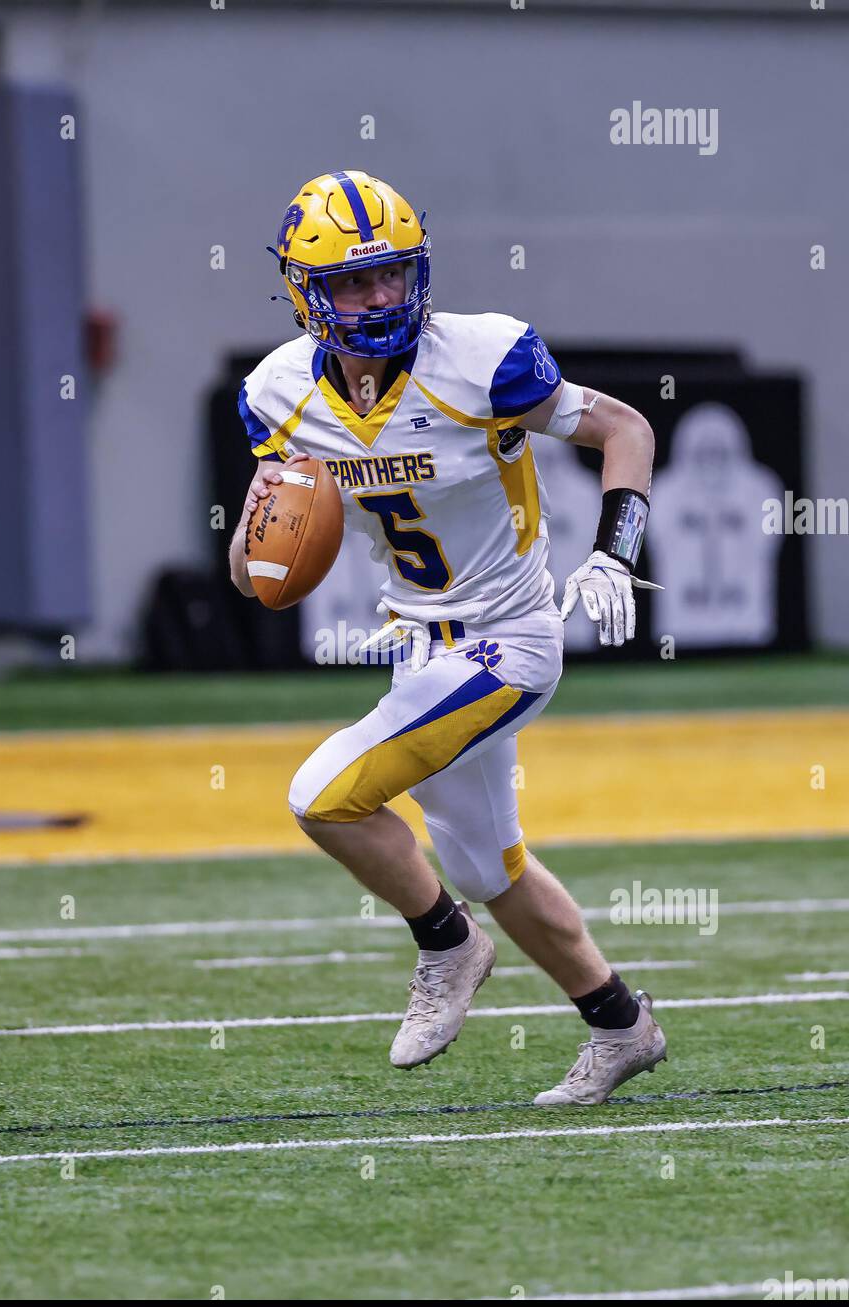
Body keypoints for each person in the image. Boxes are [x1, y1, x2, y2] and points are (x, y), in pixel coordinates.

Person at [230, 170, 665, 1104]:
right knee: (485, 867)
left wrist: (615, 554)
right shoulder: (277, 394)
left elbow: (626, 430)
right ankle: (620, 1023)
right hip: (425, 645)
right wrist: (258, 540)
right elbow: (258, 571)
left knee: (322, 795)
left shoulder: (485, 358)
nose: (378, 297)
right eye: (352, 282)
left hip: (511, 641)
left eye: (391, 274)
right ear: (307, 291)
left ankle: (448, 943)